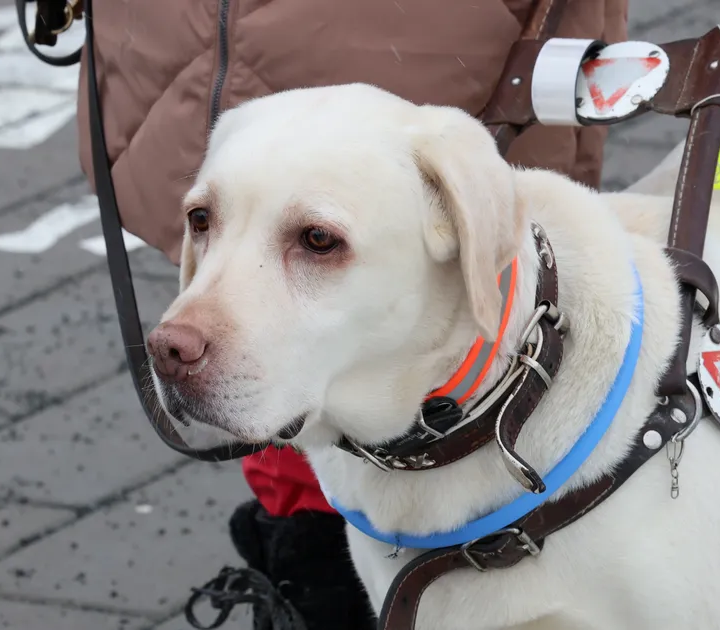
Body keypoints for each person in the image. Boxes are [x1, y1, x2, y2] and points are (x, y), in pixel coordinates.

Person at [77, 1, 629, 627]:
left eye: (315, 241)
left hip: (434, 45)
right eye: (201, 221)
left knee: (470, 355)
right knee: (293, 375)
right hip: (182, 43)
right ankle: (307, 576)